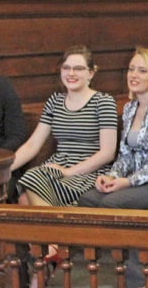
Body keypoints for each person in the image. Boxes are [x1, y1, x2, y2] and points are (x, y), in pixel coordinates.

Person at [78, 48, 148, 288]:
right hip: (136, 181)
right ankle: (146, 262)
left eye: (141, 70)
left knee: (115, 203)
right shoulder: (129, 108)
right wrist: (112, 176)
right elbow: (125, 154)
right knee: (89, 200)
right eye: (130, 69)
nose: (133, 75)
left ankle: (141, 280)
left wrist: (127, 182)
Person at [12, 46, 118, 207]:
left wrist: (69, 171)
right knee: (24, 198)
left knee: (30, 189)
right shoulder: (55, 101)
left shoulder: (103, 102)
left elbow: (107, 153)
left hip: (89, 170)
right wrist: (5, 169)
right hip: (57, 167)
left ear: (91, 73)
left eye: (78, 69)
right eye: (66, 68)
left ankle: (58, 228)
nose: (71, 74)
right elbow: (32, 145)